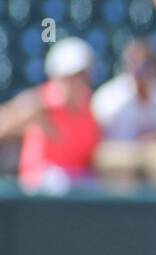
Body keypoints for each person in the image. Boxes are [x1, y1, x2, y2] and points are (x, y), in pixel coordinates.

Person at [0, 38, 101, 193]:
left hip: (78, 185)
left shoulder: (92, 109)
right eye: (71, 77)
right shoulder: (41, 104)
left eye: (82, 76)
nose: (77, 82)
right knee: (56, 181)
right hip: (41, 188)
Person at [91, 38, 156, 142]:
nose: (139, 69)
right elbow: (94, 134)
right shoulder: (108, 97)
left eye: (146, 64)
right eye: (134, 62)